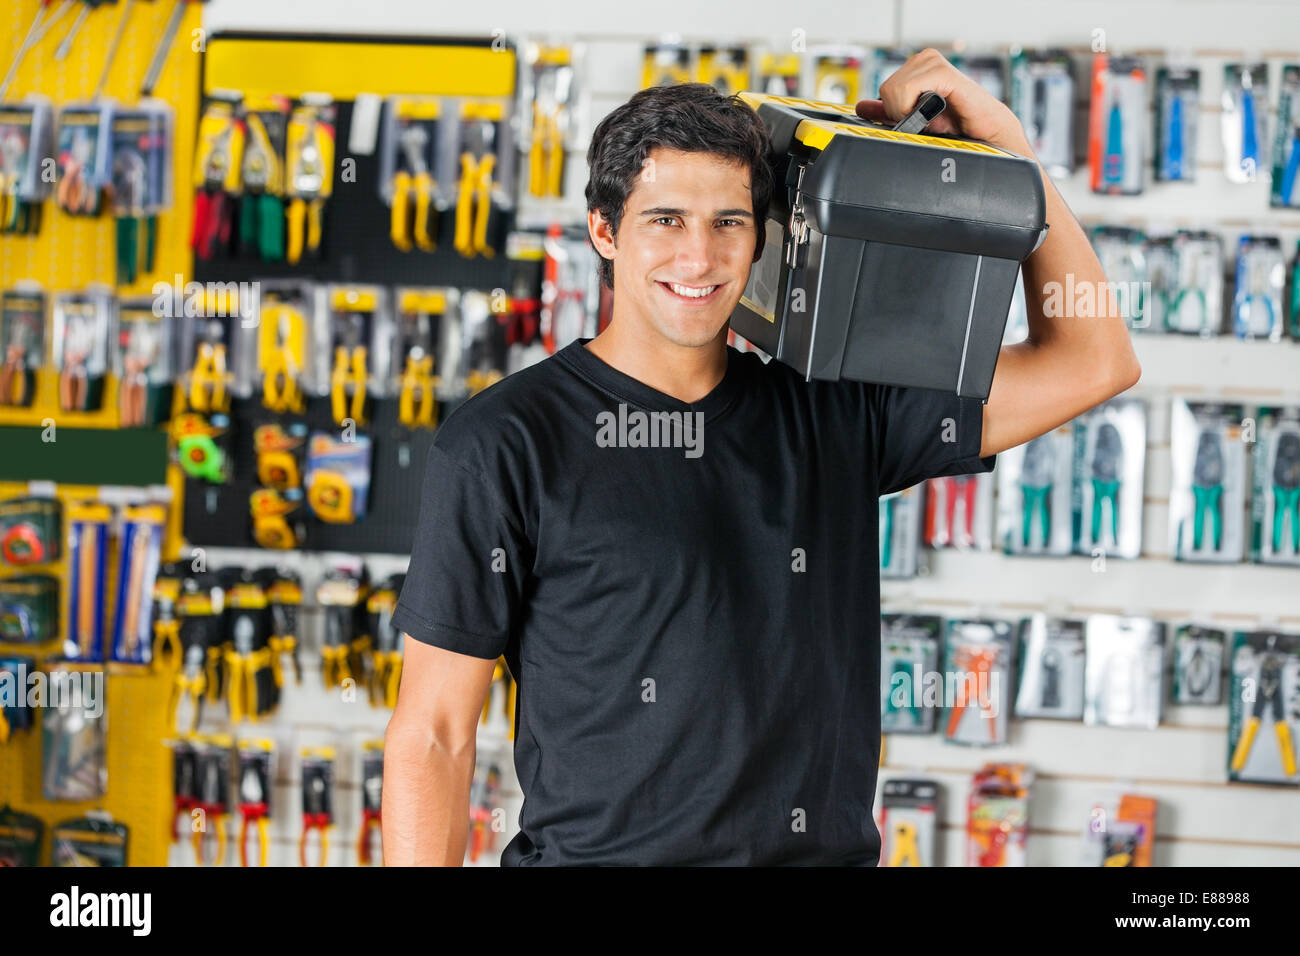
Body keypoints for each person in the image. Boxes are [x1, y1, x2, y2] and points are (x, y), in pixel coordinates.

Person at [382, 49, 1141, 866]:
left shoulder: (835, 411)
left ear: (764, 235)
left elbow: (1094, 361)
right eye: (664, 220)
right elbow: (433, 736)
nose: (699, 258)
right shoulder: (503, 444)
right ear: (604, 230)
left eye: (729, 222)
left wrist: (1010, 150)